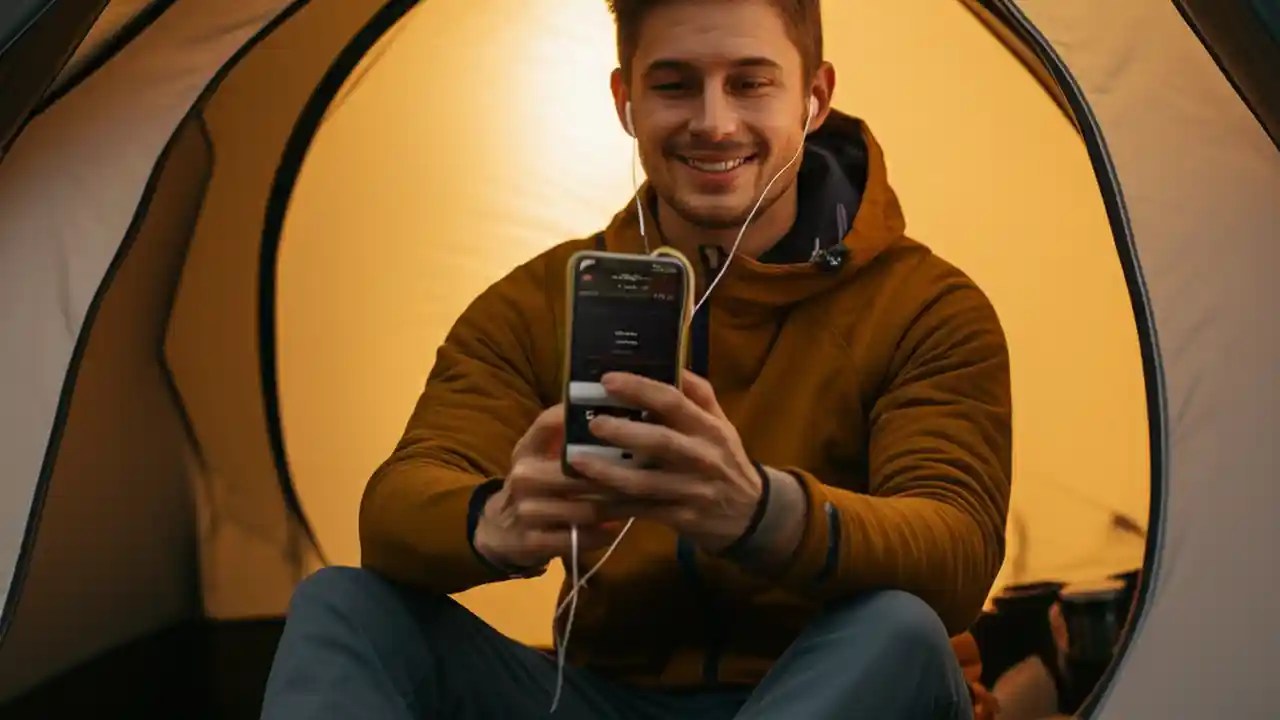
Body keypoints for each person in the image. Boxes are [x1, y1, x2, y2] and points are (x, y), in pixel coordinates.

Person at [260, 0, 1012, 717]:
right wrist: (497, 520)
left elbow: (955, 552)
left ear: (814, 98)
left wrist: (759, 511)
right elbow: (396, 508)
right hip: (600, 698)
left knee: (902, 632)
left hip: (836, 690)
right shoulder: (538, 305)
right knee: (343, 606)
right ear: (625, 100)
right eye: (674, 84)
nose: (715, 123)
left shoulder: (925, 306)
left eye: (750, 83)